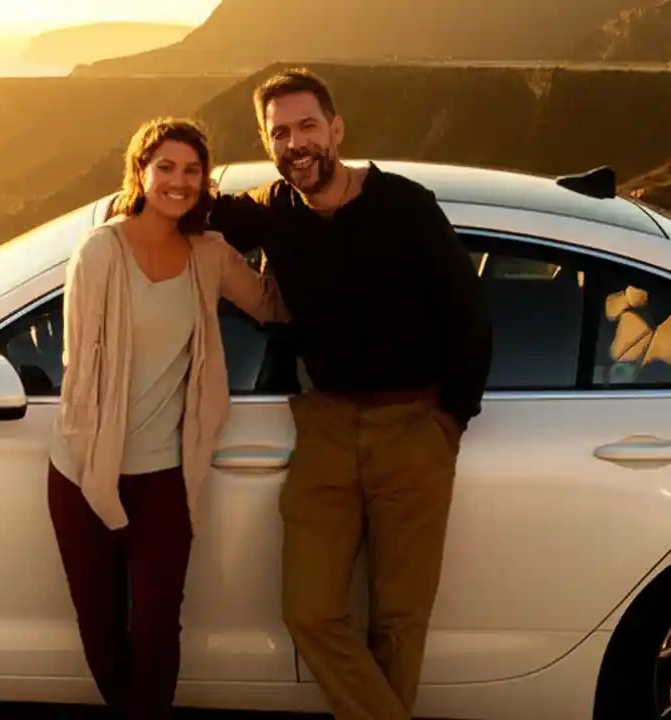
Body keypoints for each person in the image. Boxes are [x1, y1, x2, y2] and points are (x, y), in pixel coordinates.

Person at [208, 68, 493, 718]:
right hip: (327, 427)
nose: (295, 142)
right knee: (309, 612)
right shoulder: (273, 209)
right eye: (278, 133)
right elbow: (196, 208)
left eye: (308, 125)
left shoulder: (407, 206)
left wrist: (449, 420)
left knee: (398, 619)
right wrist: (135, 200)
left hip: (415, 424)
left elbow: (469, 319)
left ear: (336, 129)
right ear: (267, 144)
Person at [47, 116, 288, 720]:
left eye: (191, 170)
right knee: (101, 630)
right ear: (140, 172)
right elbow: (78, 371)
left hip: (164, 477)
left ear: (203, 181)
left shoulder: (208, 255)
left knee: (156, 631)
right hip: (82, 470)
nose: (178, 182)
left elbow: (270, 305)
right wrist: (91, 471)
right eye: (166, 168)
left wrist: (286, 232)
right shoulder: (100, 251)